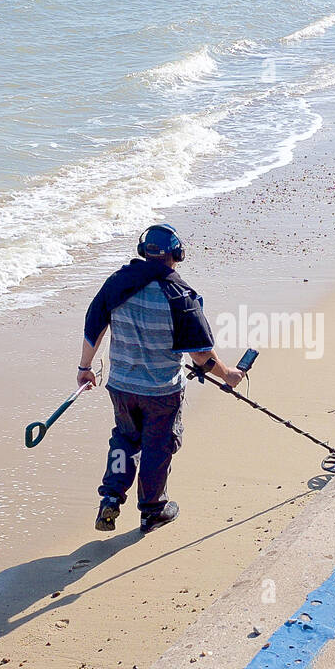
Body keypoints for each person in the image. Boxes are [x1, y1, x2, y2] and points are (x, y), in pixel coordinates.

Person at [79, 224, 245, 534]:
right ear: (176, 255)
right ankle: (153, 511)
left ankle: (111, 497)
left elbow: (94, 326)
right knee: (158, 445)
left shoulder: (117, 284)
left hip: (121, 387)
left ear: (144, 252)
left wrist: (84, 368)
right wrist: (230, 375)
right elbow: (201, 356)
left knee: (125, 439)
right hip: (161, 391)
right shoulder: (181, 296)